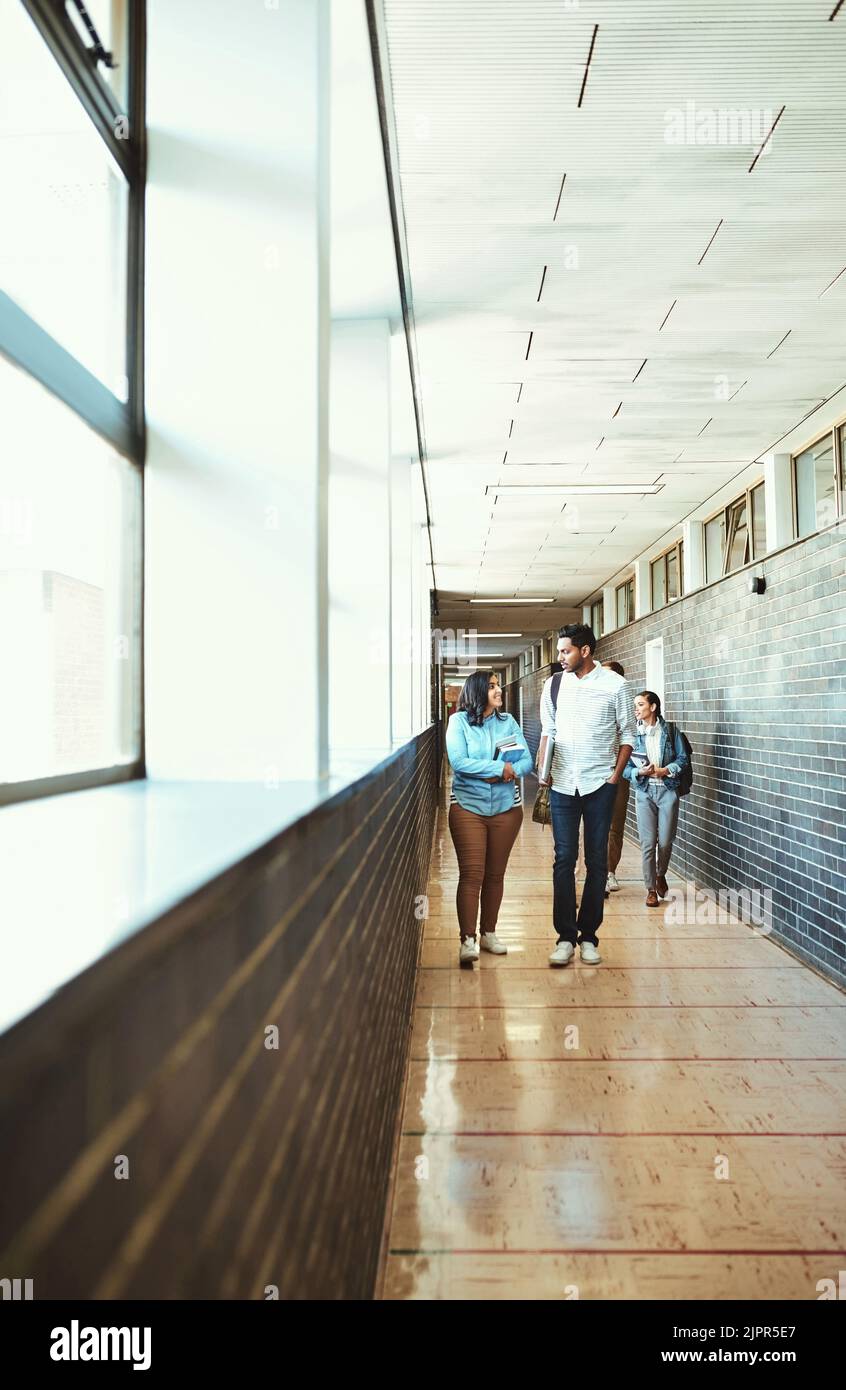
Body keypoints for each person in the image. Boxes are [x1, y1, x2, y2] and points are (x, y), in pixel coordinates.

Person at [540, 625, 635, 966]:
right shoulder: (552, 686)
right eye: (560, 651)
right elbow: (548, 732)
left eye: (565, 651)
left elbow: (628, 733)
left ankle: (589, 936)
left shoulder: (616, 686)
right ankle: (565, 937)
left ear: (585, 651)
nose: (560, 657)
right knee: (564, 859)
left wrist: (615, 776)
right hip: (563, 783)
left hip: (600, 784)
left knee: (596, 861)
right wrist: (543, 771)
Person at [445, 671, 533, 966]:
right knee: (472, 874)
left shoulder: (507, 722)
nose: (499, 690)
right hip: (468, 806)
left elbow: (527, 761)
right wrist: (498, 770)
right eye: (493, 686)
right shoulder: (459, 722)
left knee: (495, 875)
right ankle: (467, 939)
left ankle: (489, 933)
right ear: (479, 691)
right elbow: (458, 762)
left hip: (507, 809)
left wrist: (511, 770)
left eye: (499, 686)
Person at [623, 690, 689, 906]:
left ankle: (661, 874)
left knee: (666, 840)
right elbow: (624, 767)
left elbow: (683, 759)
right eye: (635, 705)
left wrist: (666, 770)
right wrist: (638, 773)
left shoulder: (670, 731)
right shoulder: (632, 735)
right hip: (644, 793)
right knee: (647, 843)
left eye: (640, 704)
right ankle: (651, 889)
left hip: (668, 790)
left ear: (652, 707)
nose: (636, 709)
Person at [602, 661, 629, 892]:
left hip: (618, 775)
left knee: (614, 826)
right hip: (594, 773)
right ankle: (595, 873)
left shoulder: (627, 708)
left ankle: (610, 872)